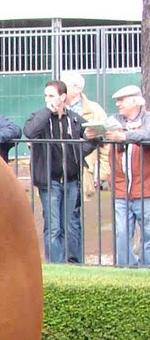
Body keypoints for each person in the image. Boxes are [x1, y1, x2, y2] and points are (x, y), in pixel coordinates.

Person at [23, 79, 92, 264]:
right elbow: (29, 131)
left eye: (52, 95)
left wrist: (79, 152)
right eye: (46, 95)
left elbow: (93, 136)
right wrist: (48, 111)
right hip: (49, 180)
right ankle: (56, 264)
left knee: (71, 224)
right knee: (53, 227)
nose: (48, 99)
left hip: (71, 179)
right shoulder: (40, 117)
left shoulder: (73, 119)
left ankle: (74, 263)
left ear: (63, 97)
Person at [92, 84, 149, 266]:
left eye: (122, 100)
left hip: (146, 189)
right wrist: (90, 133)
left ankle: (146, 268)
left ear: (135, 101)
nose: (118, 104)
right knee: (121, 233)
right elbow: (97, 133)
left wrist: (125, 136)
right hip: (120, 189)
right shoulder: (114, 120)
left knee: (148, 233)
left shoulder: (147, 120)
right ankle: (126, 268)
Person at [63, 72, 109, 194]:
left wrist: (102, 173)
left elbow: (106, 144)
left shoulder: (95, 110)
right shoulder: (54, 109)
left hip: (86, 172)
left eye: (64, 86)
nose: (60, 89)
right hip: (58, 172)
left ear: (77, 89)